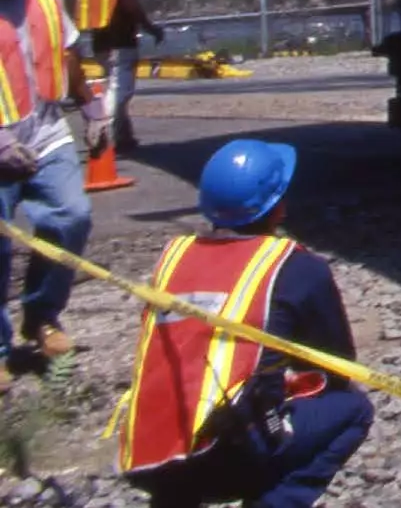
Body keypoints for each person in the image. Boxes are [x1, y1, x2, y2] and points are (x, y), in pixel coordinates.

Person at [119, 139, 373, 508]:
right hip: (226, 454)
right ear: (278, 208)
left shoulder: (173, 259)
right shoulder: (296, 267)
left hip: (146, 453)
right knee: (353, 409)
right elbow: (336, 364)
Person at [0, 0, 93, 371]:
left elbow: (69, 49)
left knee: (71, 216)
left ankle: (41, 315)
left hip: (46, 129)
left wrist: (91, 107)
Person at [77, 0, 165, 152]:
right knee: (120, 92)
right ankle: (100, 130)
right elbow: (129, 3)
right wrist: (151, 28)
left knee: (115, 87)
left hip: (99, 44)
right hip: (121, 43)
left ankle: (124, 137)